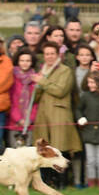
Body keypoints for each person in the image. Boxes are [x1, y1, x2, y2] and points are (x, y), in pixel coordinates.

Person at [31, 44, 81, 187]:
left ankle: (62, 182)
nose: (49, 56)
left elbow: (61, 91)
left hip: (59, 113)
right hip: (43, 113)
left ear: (58, 55)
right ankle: (46, 181)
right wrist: (37, 86)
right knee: (44, 149)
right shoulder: (42, 71)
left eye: (52, 53)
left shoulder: (65, 71)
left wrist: (42, 81)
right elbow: (36, 96)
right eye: (47, 54)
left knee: (60, 147)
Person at [8, 50, 40, 148]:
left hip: (29, 123)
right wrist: (18, 119)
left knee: (29, 150)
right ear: (18, 61)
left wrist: (30, 119)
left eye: (27, 61)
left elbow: (36, 101)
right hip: (14, 122)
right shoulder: (12, 77)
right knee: (14, 150)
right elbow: (10, 100)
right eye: (22, 60)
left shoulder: (35, 79)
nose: (25, 63)